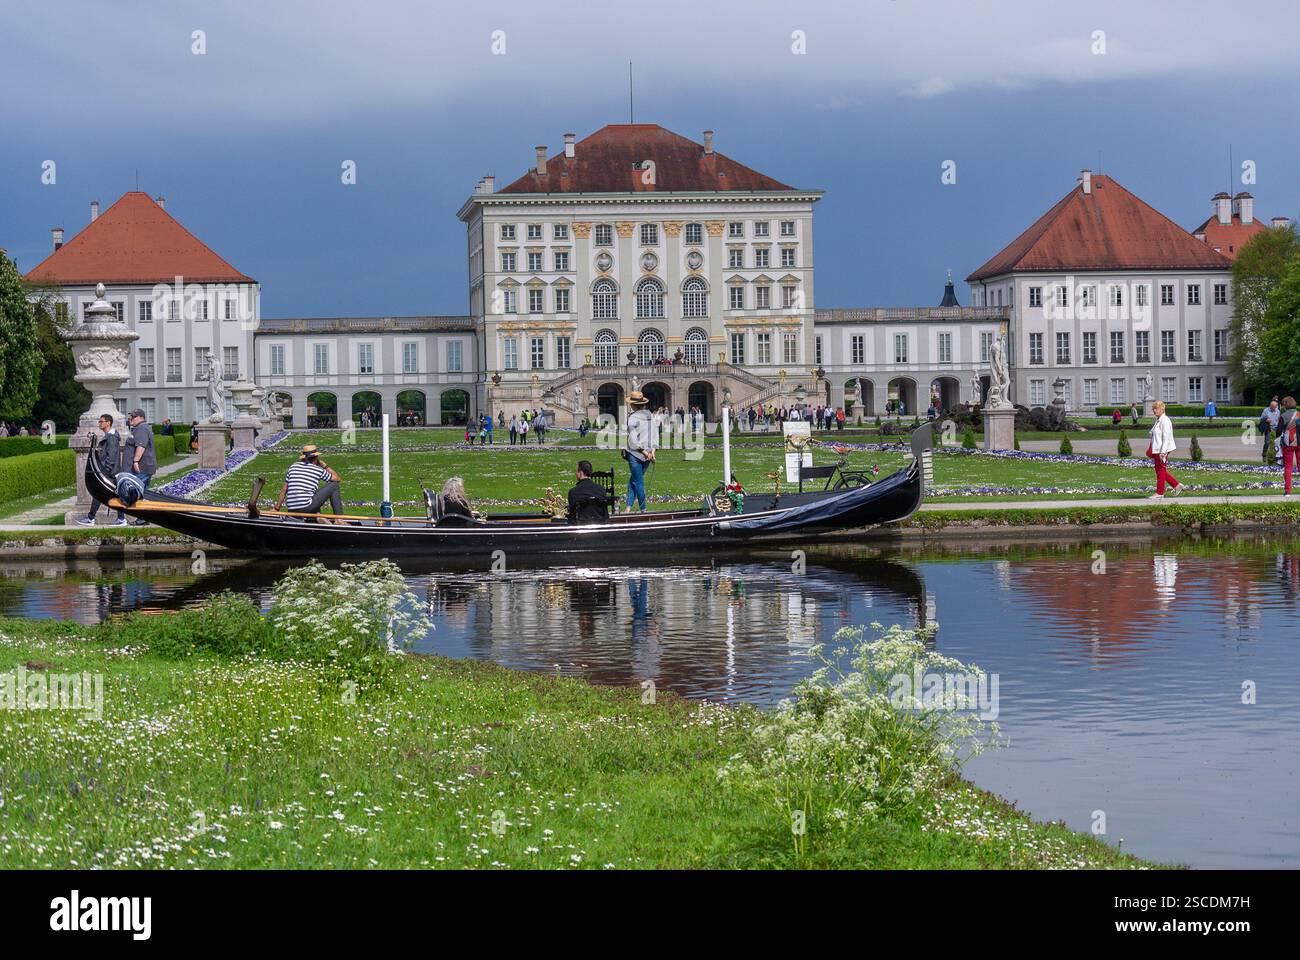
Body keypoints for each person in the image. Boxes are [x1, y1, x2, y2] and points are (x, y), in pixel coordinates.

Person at [78, 414, 127, 526]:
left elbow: (112, 456)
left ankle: (92, 518)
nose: (99, 423)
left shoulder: (111, 436)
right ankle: (117, 519)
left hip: (110, 472)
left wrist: (105, 470)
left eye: (101, 421)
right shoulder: (110, 436)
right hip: (110, 471)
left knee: (100, 493)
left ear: (108, 423)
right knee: (104, 494)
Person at [275, 443, 346, 519]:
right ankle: (339, 518)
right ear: (316, 458)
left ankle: (317, 516)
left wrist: (276, 508)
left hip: (291, 510)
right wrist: (325, 466)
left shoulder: (293, 466)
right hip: (306, 508)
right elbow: (337, 479)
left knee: (312, 494)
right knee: (334, 486)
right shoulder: (317, 469)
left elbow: (284, 489)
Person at [122, 409, 157, 524]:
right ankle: (143, 518)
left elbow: (141, 446)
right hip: (143, 467)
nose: (131, 419)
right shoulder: (140, 428)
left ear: (141, 417)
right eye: (131, 417)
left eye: (134, 417)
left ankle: (142, 518)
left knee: (137, 492)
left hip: (141, 467)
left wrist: (135, 461)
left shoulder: (141, 428)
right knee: (141, 493)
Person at [624, 390, 656, 512]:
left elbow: (633, 440)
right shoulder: (650, 416)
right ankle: (628, 508)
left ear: (632, 405)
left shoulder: (632, 418)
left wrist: (645, 452)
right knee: (634, 480)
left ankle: (643, 509)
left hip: (636, 453)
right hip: (647, 453)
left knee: (638, 482)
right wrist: (652, 452)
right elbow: (655, 436)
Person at [1148, 400, 1180, 499]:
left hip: (1162, 449)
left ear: (1162, 409)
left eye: (1156, 408)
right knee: (1159, 470)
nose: (1154, 411)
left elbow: (1166, 438)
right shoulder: (1159, 420)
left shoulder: (1165, 420)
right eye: (1153, 409)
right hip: (1158, 449)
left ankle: (1160, 492)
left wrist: (1163, 452)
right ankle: (1176, 485)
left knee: (1161, 469)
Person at [567, 459, 610, 524]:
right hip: (600, 528)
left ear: (580, 472)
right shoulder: (601, 490)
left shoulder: (573, 492)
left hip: (581, 529)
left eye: (576, 471)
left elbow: (572, 516)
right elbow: (605, 514)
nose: (575, 473)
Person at [1279, 397, 1300, 496]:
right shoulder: (1299, 414)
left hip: (1289, 443)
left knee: (1288, 467)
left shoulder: (1283, 416)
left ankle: (1288, 491)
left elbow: (1278, 431)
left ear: (1285, 405)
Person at [1260, 398, 1281, 464]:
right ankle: (1264, 454)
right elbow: (1261, 419)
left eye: (1275, 407)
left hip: (1276, 428)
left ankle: (1275, 456)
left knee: (1276, 443)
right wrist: (1266, 420)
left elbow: (1279, 419)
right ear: (1270, 406)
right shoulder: (1266, 410)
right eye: (1273, 407)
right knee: (1267, 442)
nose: (1274, 409)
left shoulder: (1278, 411)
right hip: (1269, 428)